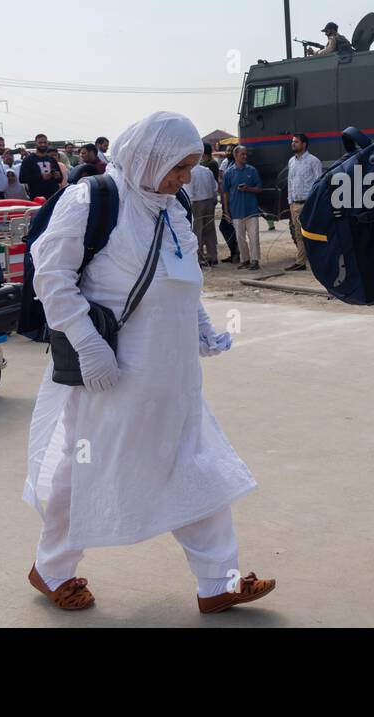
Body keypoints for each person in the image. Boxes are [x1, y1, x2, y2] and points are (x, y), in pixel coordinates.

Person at [22, 112, 273, 612]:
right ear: (148, 157)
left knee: (193, 465)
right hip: (111, 374)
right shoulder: (93, 198)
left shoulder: (170, 204)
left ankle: (217, 581)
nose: (184, 179)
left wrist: (199, 326)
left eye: (189, 169)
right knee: (86, 468)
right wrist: (88, 344)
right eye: (177, 168)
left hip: (175, 376)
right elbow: (50, 275)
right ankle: (51, 569)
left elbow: (177, 274)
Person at [284, 133, 321, 271]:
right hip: (295, 204)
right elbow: (290, 182)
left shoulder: (313, 161)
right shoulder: (291, 162)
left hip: (308, 204)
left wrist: (315, 204)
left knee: (312, 233)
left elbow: (318, 184)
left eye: (296, 142)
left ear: (304, 144)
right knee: (298, 234)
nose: (293, 144)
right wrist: (290, 202)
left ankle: (318, 261)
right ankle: (300, 262)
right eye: (292, 141)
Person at [222, 145, 262, 270]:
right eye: (242, 154)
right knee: (240, 239)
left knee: (254, 237)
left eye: (246, 154)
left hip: (251, 211)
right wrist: (226, 211)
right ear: (235, 155)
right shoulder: (229, 173)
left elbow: (259, 188)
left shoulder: (252, 170)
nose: (245, 156)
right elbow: (225, 193)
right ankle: (245, 260)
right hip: (236, 211)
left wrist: (248, 189)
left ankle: (255, 261)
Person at [187, 142, 219, 266]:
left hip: (197, 203)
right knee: (210, 230)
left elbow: (189, 192)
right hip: (209, 202)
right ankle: (213, 256)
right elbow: (214, 187)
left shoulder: (191, 172)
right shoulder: (207, 171)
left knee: (197, 231)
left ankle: (199, 258)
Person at [18, 134, 65, 201]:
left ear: (47, 144)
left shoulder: (52, 159)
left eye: (45, 142)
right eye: (40, 142)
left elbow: (60, 179)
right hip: (37, 198)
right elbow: (22, 179)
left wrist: (57, 176)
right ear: (35, 144)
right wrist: (41, 177)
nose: (43, 144)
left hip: (53, 196)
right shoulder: (28, 160)